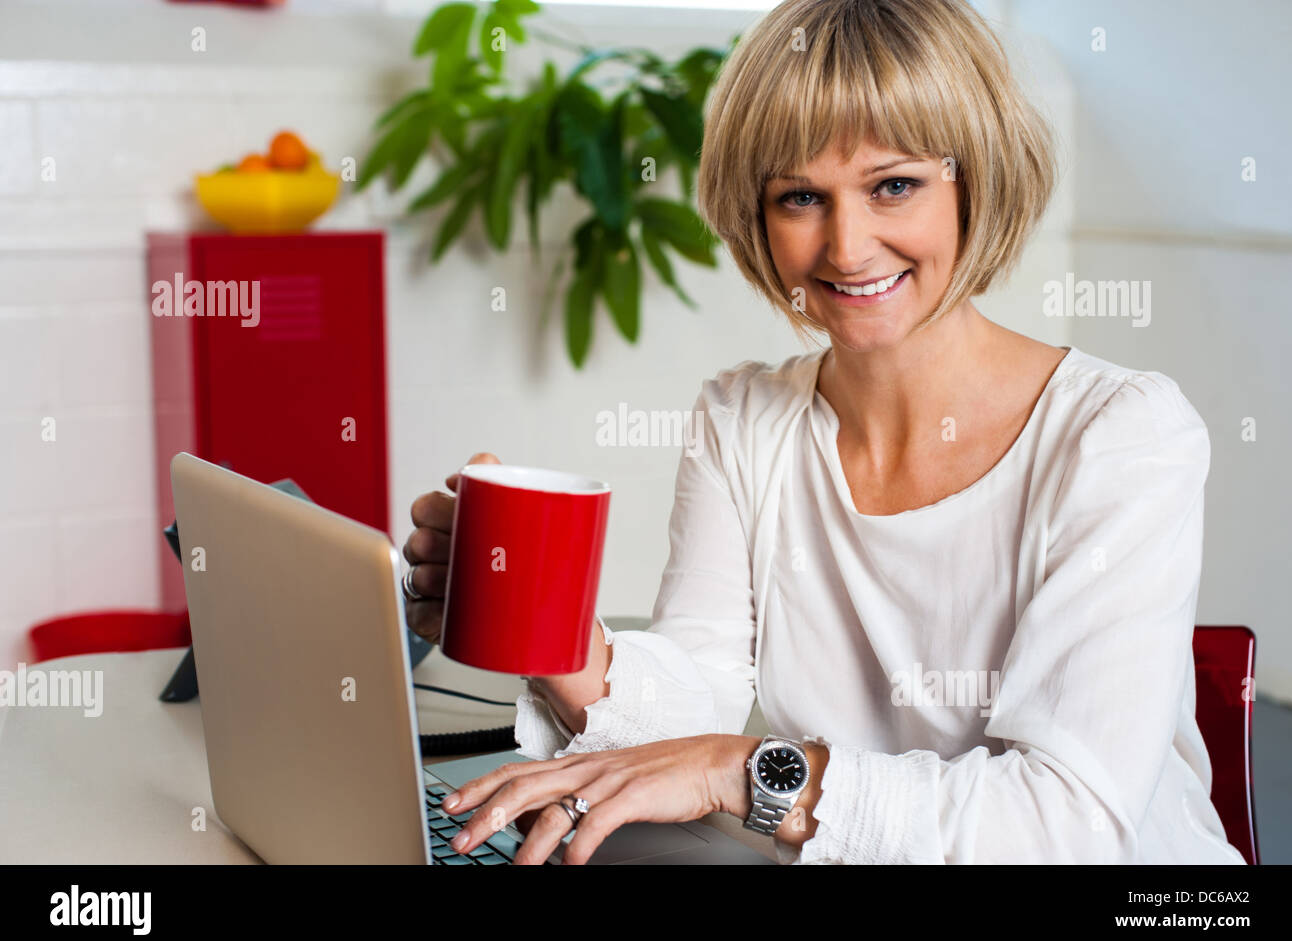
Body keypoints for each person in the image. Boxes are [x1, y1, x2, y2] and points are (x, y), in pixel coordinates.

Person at [402, 0, 1246, 865]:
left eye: (894, 185)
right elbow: (695, 708)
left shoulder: (1122, 435)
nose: (847, 247)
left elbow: (1061, 826)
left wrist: (745, 773)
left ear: (974, 181)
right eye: (801, 196)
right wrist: (553, 634)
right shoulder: (744, 420)